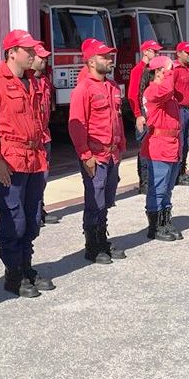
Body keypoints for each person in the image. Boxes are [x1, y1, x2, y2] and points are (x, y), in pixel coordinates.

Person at [0, 29, 54, 298]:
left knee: (32, 218)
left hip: (34, 159)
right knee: (13, 219)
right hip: (10, 161)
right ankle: (14, 274)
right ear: (12, 53)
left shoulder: (32, 81)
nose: (33, 54)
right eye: (27, 50)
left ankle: (26, 265)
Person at [68, 38, 127, 263]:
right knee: (95, 202)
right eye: (105, 57)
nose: (110, 60)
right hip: (96, 156)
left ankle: (102, 239)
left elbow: (118, 120)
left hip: (112, 155)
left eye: (109, 56)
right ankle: (92, 246)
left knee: (106, 200)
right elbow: (76, 125)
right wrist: (86, 155)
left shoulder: (112, 87)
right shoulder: (83, 89)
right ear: (91, 62)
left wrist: (121, 146)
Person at [141, 55, 184, 241]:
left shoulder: (168, 94)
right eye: (168, 71)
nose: (172, 74)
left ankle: (164, 221)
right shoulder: (153, 91)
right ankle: (155, 226)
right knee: (158, 188)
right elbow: (166, 89)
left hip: (172, 145)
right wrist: (168, 73)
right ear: (158, 72)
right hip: (159, 146)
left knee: (167, 188)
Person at [30, 44, 60, 226]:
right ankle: (32, 210)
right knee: (32, 177)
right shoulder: (26, 82)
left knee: (43, 175)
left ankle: (39, 207)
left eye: (45, 57)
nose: (45, 60)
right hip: (32, 139)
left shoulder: (45, 81)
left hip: (44, 136)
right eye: (41, 57)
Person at [127, 40, 161, 193]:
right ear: (145, 51)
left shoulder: (153, 70)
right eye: (154, 51)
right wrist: (138, 114)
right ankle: (144, 182)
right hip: (143, 112)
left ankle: (151, 180)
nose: (157, 54)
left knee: (153, 147)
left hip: (152, 112)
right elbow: (132, 95)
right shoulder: (138, 70)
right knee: (144, 148)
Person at [172, 42, 189, 186]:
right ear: (179, 53)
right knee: (180, 143)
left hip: (188, 110)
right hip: (179, 110)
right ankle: (177, 174)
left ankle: (182, 171)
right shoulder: (175, 69)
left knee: (186, 143)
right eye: (187, 53)